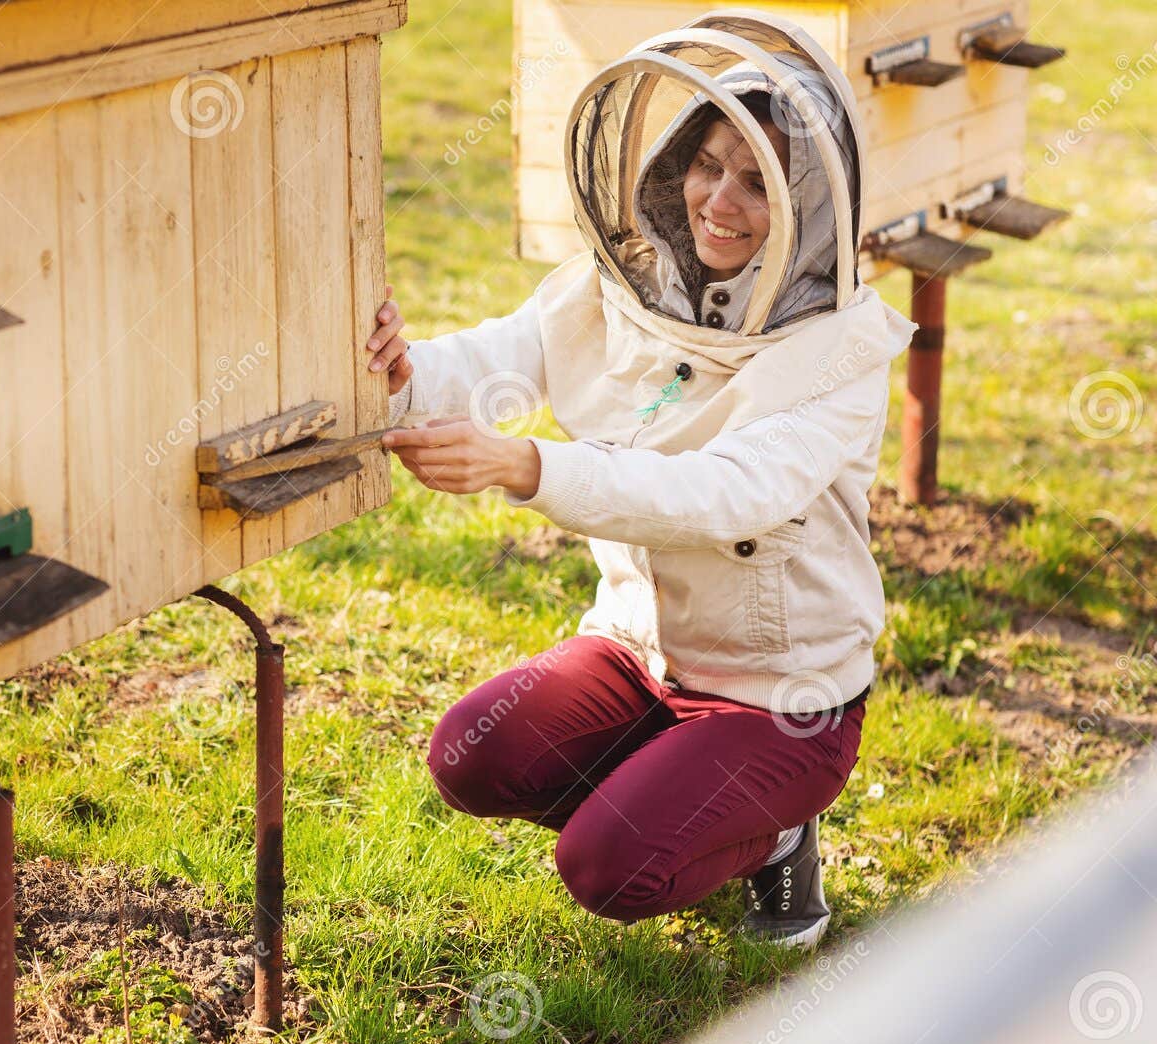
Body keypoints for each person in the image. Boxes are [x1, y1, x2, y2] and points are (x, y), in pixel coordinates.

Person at [363, 18, 918, 949]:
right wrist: (397, 367)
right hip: (637, 653)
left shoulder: (842, 352)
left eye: (758, 180)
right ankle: (683, 784)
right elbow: (498, 358)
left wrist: (524, 466)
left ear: (810, 202)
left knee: (608, 866)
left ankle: (777, 831)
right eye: (707, 163)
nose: (720, 200)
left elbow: (724, 493)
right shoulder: (618, 286)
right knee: (472, 755)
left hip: (783, 695)